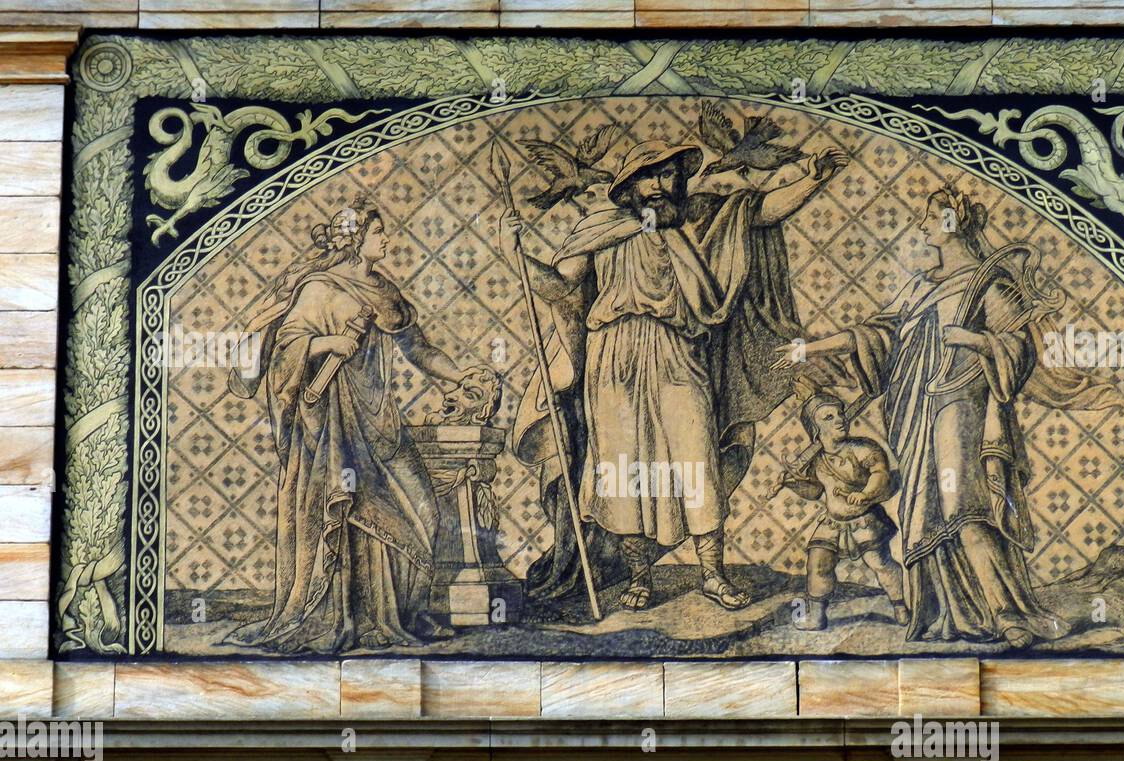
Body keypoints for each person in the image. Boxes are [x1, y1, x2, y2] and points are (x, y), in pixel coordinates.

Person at [504, 138, 848, 613]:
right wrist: (515, 254)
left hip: (678, 350)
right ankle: (639, 576)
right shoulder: (600, 229)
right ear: (628, 187)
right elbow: (561, 288)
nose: (659, 185)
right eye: (648, 176)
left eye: (668, 175)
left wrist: (812, 177)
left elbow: (759, 213)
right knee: (624, 471)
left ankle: (713, 575)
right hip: (613, 356)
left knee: (696, 462)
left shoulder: (695, 221)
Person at [772, 185, 1119, 648]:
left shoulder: (991, 286)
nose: (921, 225)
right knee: (926, 512)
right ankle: (945, 611)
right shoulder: (920, 285)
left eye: (929, 216)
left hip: (963, 409)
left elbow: (1018, 352)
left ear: (954, 221)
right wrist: (809, 348)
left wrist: (974, 341)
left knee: (967, 509)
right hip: (916, 414)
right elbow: (872, 335)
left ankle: (1007, 612)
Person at [225, 199, 462, 652]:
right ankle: (348, 618)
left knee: (424, 510)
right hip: (330, 422)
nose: (387, 240)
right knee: (344, 510)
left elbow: (420, 350)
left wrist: (459, 376)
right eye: (378, 233)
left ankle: (405, 614)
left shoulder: (386, 293)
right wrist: (327, 342)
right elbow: (285, 353)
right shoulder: (319, 288)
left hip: (379, 421)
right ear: (357, 240)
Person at [773, 390, 907, 631]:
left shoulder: (863, 448)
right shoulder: (817, 460)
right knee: (818, 564)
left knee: (880, 563)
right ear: (816, 429)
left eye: (840, 413)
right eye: (828, 417)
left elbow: (880, 474)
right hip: (832, 522)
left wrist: (865, 494)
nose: (839, 419)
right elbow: (814, 491)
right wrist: (790, 483)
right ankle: (816, 616)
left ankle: (900, 605)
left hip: (864, 519)